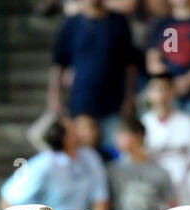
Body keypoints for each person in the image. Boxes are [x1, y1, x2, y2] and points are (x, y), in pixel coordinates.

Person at [48, 0, 138, 145]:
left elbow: (130, 64)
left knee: (113, 151)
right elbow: (59, 64)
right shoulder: (71, 24)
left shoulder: (119, 22)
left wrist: (129, 97)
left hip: (113, 102)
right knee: (83, 152)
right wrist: (54, 98)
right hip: (81, 102)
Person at [0, 117, 110, 210]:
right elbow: (10, 196)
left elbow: (100, 199)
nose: (79, 131)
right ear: (65, 138)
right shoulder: (44, 164)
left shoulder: (90, 158)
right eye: (74, 128)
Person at [108, 116, 174, 210]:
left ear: (138, 136)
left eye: (122, 133)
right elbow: (103, 206)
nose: (117, 138)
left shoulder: (160, 172)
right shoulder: (112, 171)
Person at [141, 73, 190, 202]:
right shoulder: (142, 124)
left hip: (184, 185)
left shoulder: (188, 123)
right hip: (152, 186)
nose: (160, 94)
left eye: (164, 89)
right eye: (155, 89)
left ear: (172, 92)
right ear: (148, 94)